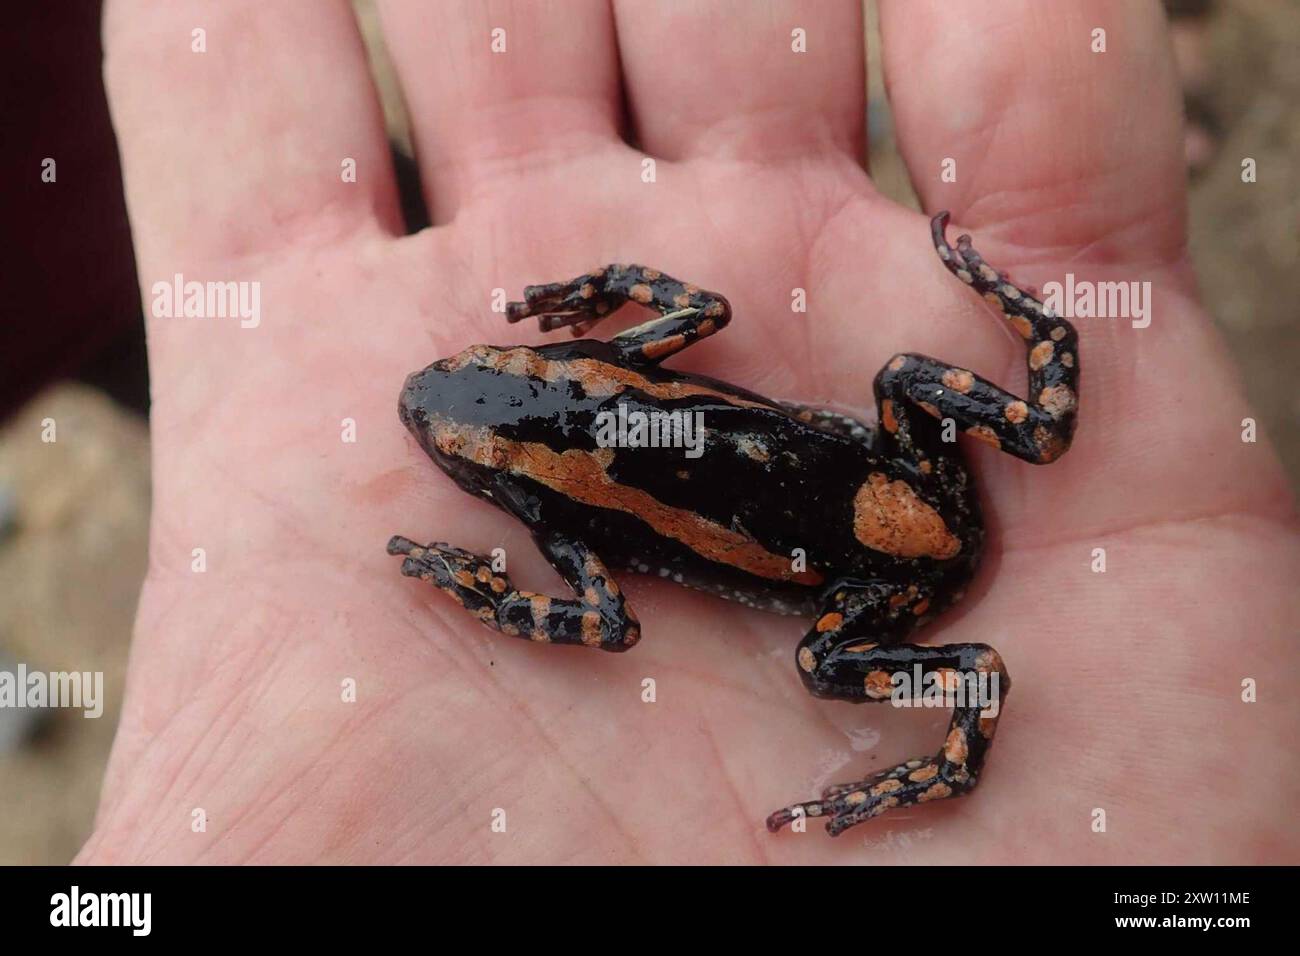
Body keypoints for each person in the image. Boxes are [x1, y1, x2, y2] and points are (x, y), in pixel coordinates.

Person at [82, 0, 1299, 863]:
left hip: (897, 557)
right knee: (892, 411)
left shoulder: (565, 493)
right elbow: (694, 309)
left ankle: (967, 694)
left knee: (828, 654)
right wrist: (595, 295)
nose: (451, 394)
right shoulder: (609, 373)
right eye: (477, 453)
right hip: (888, 523)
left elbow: (604, 615)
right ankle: (1029, 413)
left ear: (540, 369)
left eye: (496, 374)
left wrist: (486, 588)